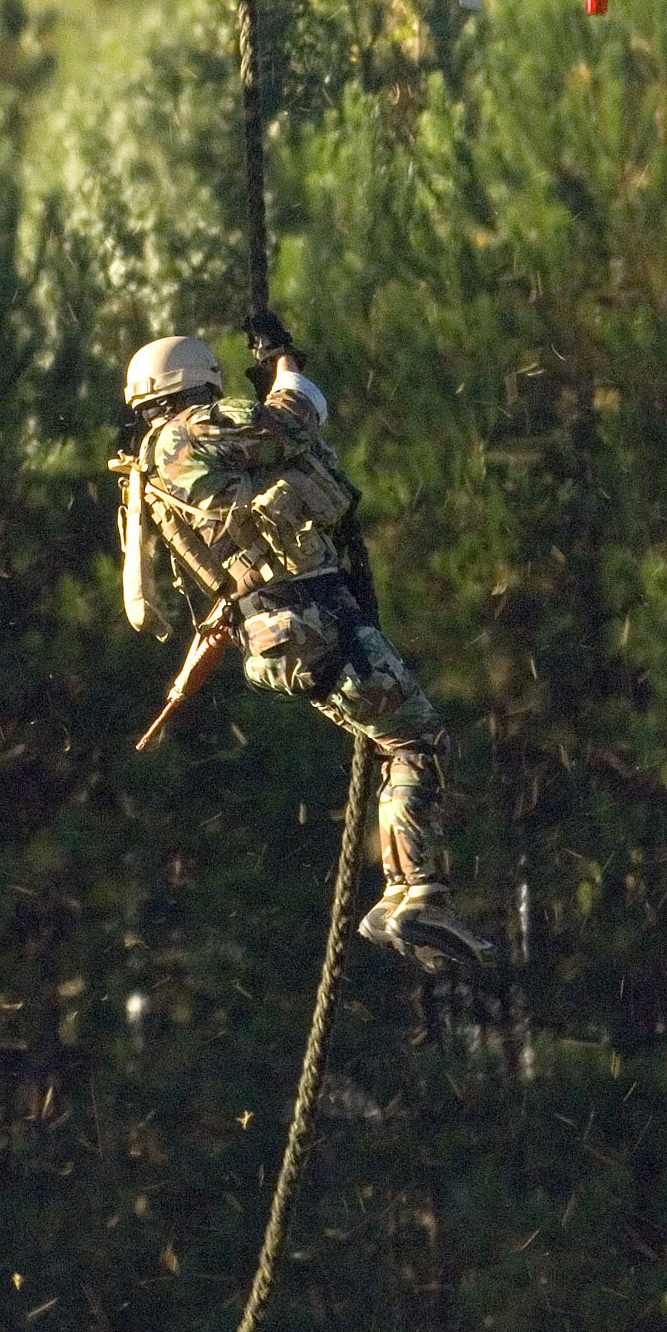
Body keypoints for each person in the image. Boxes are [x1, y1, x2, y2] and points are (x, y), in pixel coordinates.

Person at [118, 329, 491, 972]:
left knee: (394, 740)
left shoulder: (153, 463)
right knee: (419, 741)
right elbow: (293, 422)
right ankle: (417, 898)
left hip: (275, 633)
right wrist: (284, 367)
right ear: (198, 384)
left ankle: (403, 894)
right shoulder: (194, 431)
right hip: (311, 618)